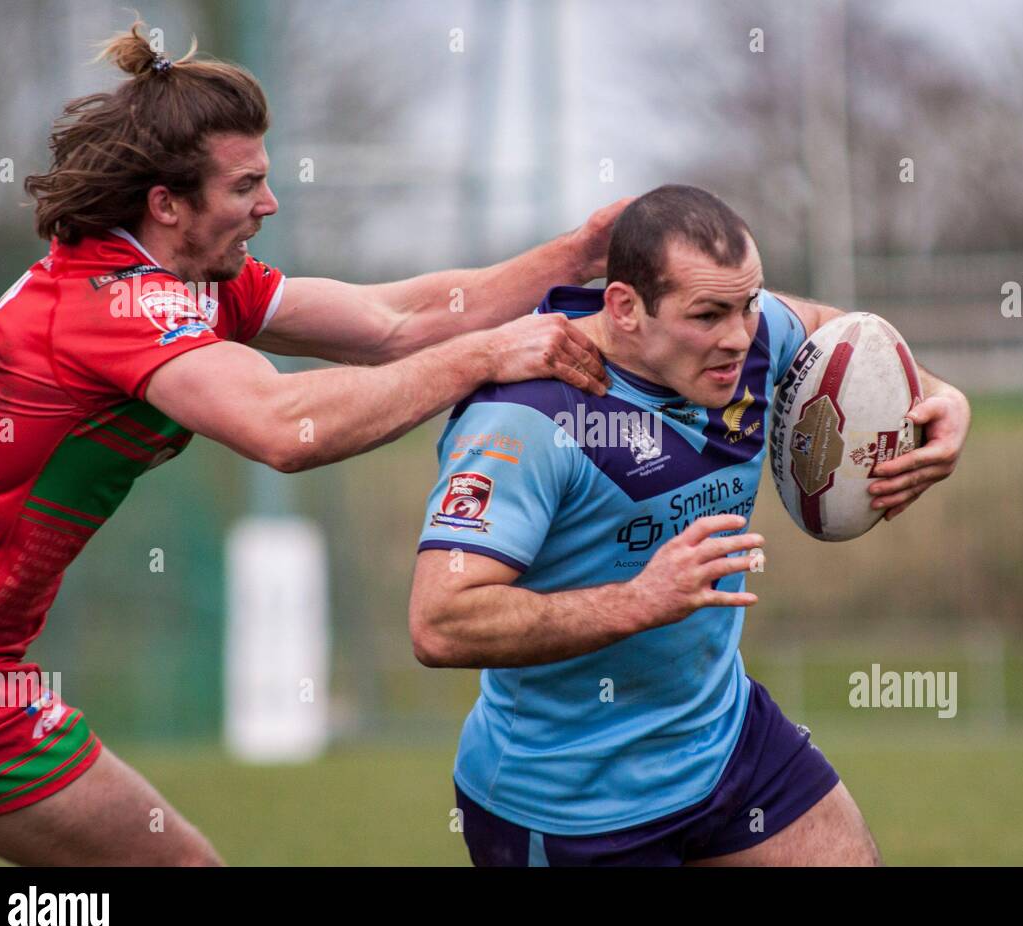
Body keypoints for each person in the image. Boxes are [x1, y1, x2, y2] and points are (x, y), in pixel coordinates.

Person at [0, 20, 622, 865]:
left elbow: (397, 321)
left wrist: (582, 251)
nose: (269, 205)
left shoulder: (185, 281)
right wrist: (490, 355)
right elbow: (284, 429)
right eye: (246, 187)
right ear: (167, 204)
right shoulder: (116, 304)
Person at [408, 185, 971, 866]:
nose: (738, 337)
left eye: (749, 304)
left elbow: (837, 329)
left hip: (726, 740)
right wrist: (637, 601)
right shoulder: (526, 417)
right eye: (707, 314)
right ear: (624, 308)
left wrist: (941, 397)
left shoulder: (753, 346)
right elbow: (439, 622)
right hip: (570, 804)